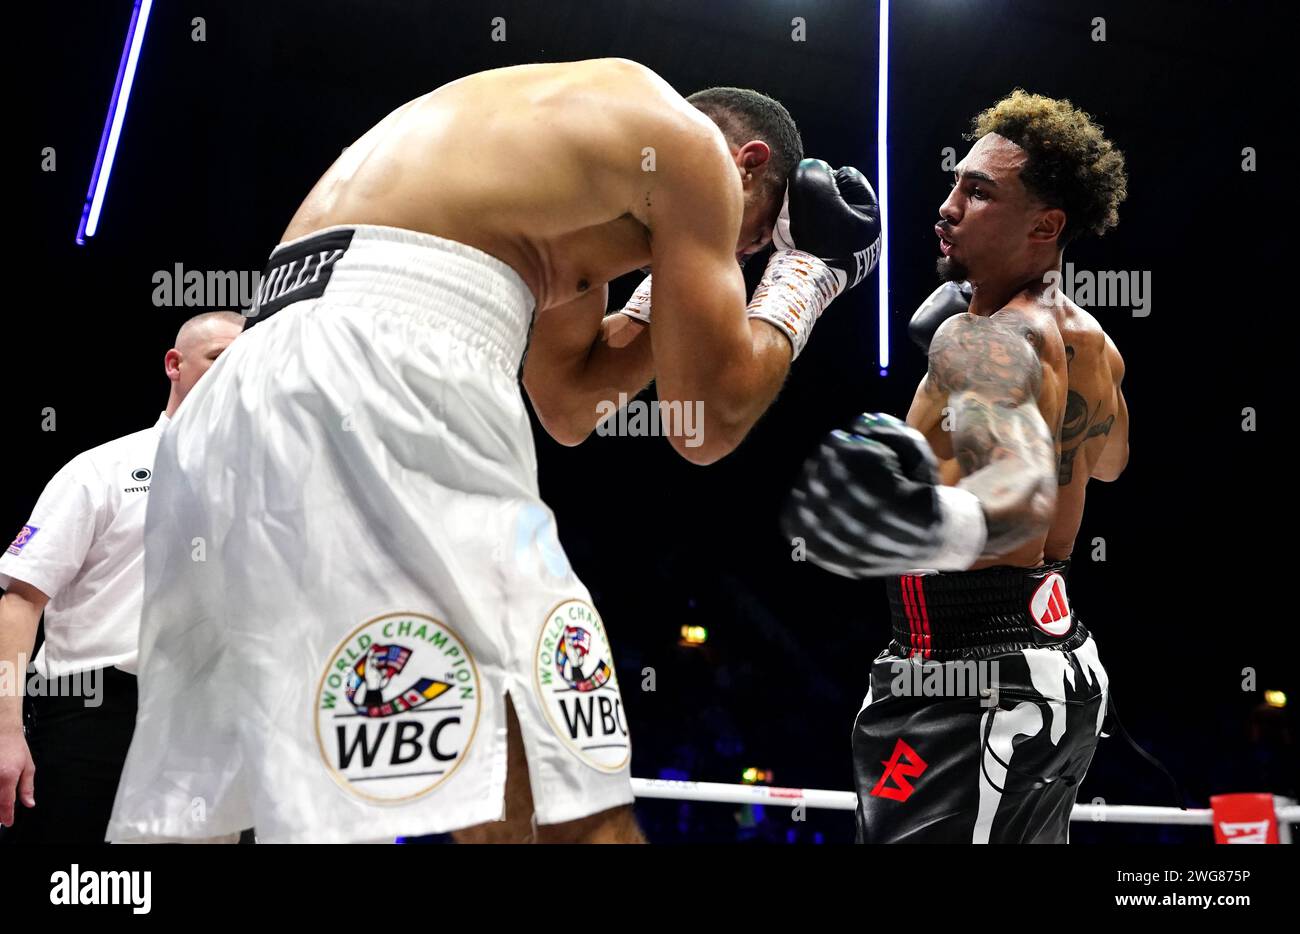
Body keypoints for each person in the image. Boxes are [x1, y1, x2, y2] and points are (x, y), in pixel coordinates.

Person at [108, 59, 881, 844]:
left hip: (245, 390)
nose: (731, 261)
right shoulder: (693, 150)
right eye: (745, 244)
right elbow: (705, 422)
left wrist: (676, 290)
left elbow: (571, 404)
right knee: (564, 790)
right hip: (387, 370)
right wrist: (802, 277)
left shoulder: (555, 153)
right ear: (748, 166)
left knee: (218, 804)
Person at [784, 89, 1129, 843]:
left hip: (972, 673)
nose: (947, 205)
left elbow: (1021, 499)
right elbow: (1106, 463)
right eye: (955, 183)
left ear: (1046, 225)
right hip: (1052, 661)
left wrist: (924, 517)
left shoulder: (980, 339)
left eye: (978, 192)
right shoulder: (1089, 339)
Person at [0, 311, 244, 842]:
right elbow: (20, 600)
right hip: (92, 716)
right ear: (173, 365)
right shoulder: (102, 469)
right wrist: (4, 729)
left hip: (214, 722)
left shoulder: (270, 485)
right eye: (219, 360)